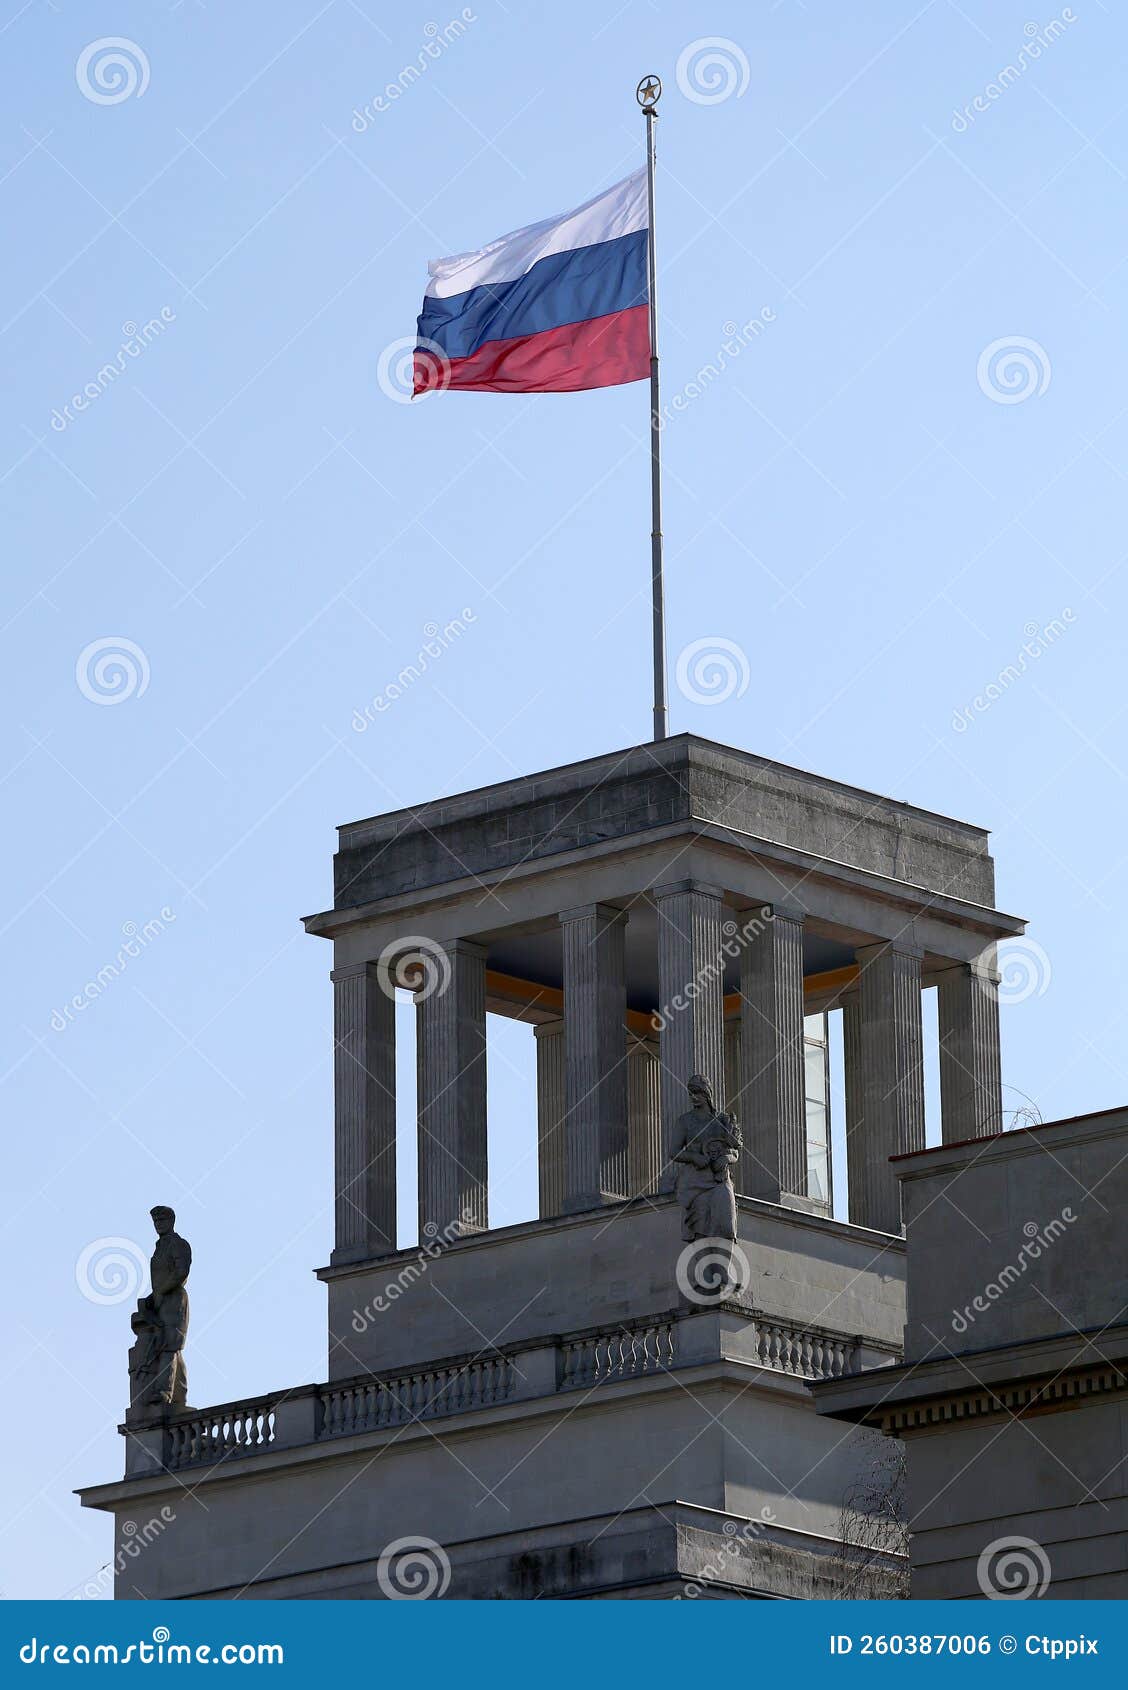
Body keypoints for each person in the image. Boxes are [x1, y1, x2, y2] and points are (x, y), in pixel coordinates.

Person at [669, 1074, 742, 1243]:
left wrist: (727, 1159)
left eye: (698, 1093)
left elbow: (735, 1151)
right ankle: (705, 1267)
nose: (694, 1097)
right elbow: (674, 1152)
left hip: (720, 1179)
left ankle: (723, 1268)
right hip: (696, 1182)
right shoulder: (685, 1121)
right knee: (700, 1227)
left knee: (727, 1225)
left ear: (707, 1093)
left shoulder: (723, 1119)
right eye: (691, 1093)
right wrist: (695, 1157)